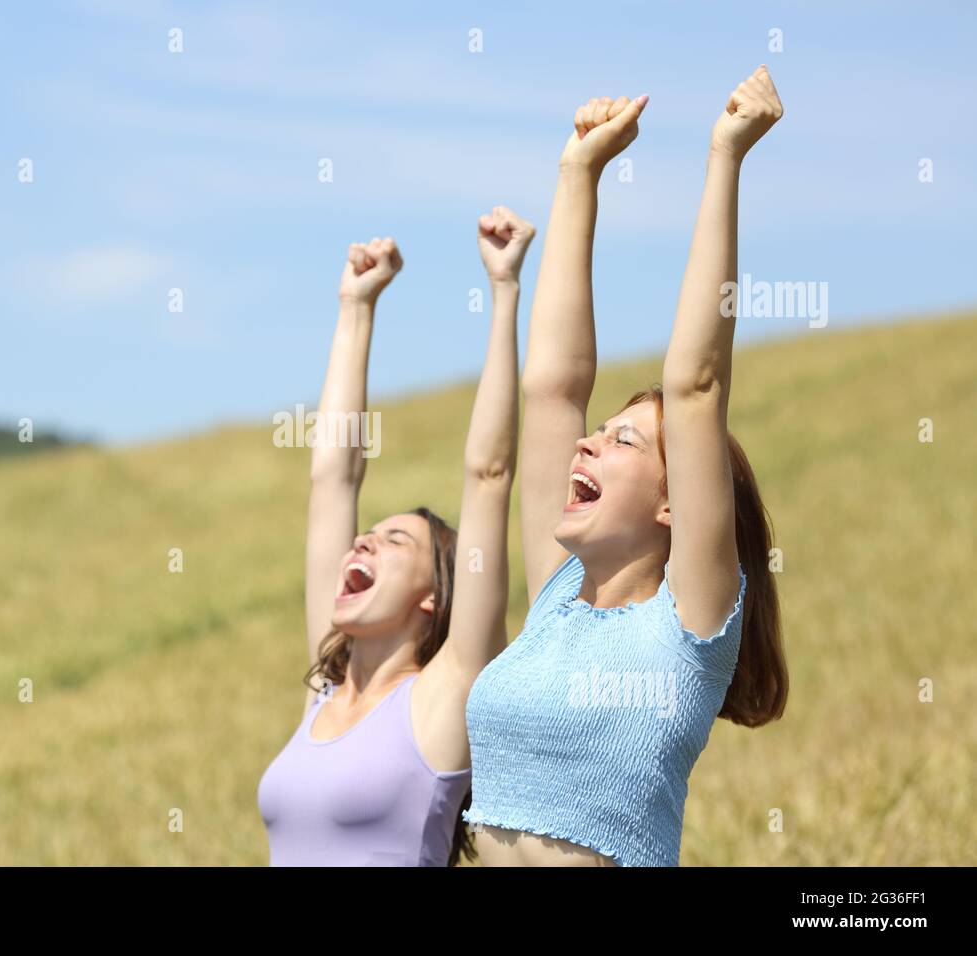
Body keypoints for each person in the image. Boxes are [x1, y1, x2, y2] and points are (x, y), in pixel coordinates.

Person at [464, 68, 790, 866]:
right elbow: (552, 387)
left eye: (624, 442)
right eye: (598, 433)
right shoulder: (555, 603)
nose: (586, 443)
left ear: (676, 506)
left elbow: (697, 382)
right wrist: (578, 173)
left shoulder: (689, 627)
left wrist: (725, 157)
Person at [258, 206, 535, 865]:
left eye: (395, 543)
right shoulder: (322, 694)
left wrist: (503, 293)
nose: (363, 543)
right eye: (368, 536)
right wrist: (356, 307)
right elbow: (333, 481)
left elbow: (489, 474)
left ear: (435, 596)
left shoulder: (445, 695)